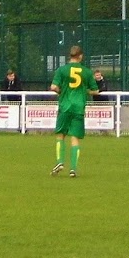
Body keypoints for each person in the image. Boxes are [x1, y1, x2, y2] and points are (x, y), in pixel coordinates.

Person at [49, 45, 98, 178]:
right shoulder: (86, 72)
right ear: (80, 56)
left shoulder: (62, 70)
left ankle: (60, 161)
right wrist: (85, 90)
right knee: (75, 138)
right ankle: (73, 169)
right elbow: (96, 90)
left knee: (60, 135)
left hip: (65, 106)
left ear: (69, 56)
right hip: (78, 107)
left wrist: (61, 91)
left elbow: (53, 87)